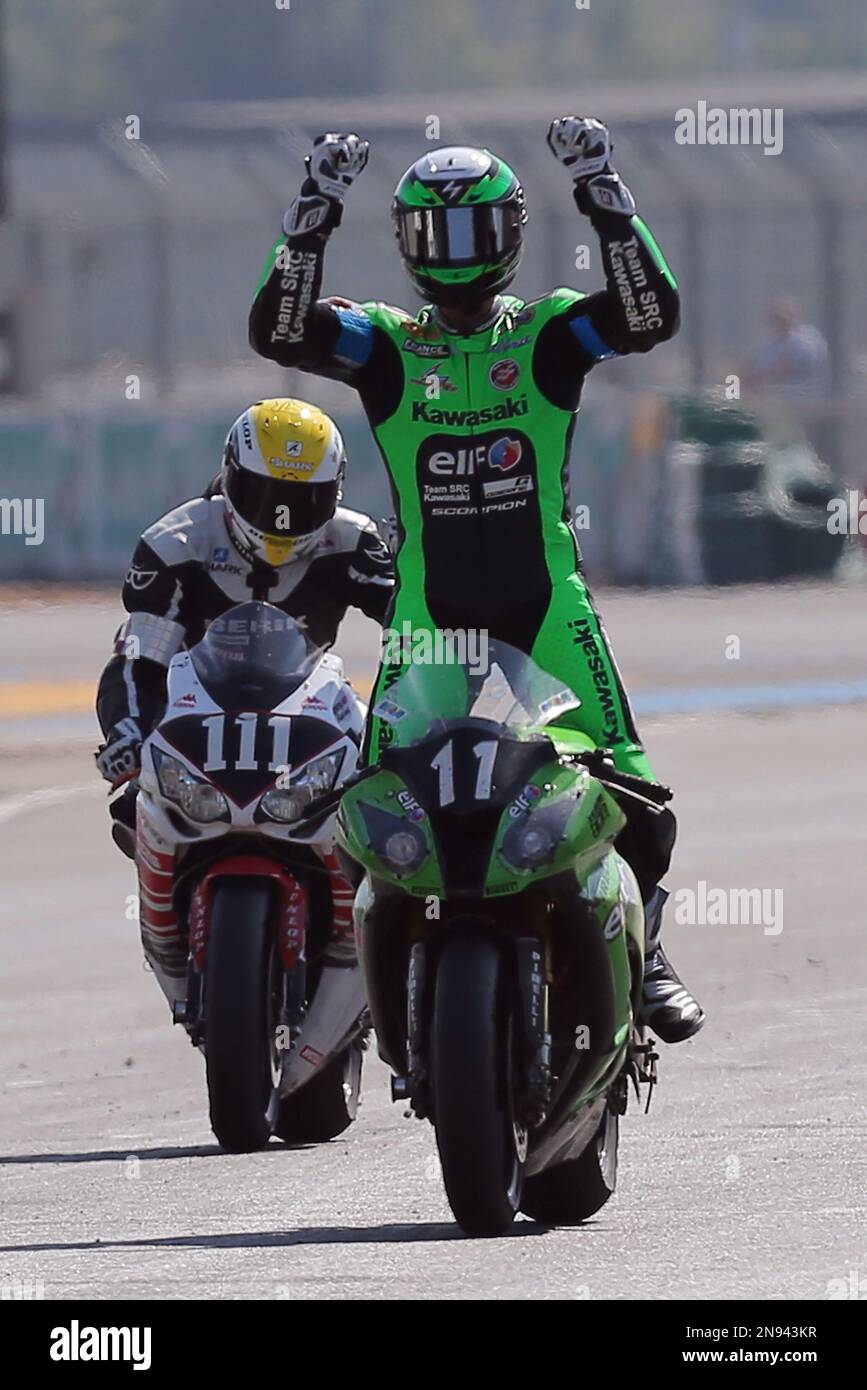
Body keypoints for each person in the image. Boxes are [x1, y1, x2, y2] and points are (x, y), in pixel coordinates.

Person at [247, 120, 704, 1043]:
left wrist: (605, 193)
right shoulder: (384, 347)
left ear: (512, 236)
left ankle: (646, 949)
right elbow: (280, 329)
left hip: (544, 609)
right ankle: (387, 975)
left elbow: (649, 314)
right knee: (376, 798)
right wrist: (310, 215)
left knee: (631, 790)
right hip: (429, 614)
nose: (455, 258)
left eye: (474, 234)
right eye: (434, 237)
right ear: (408, 247)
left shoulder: (547, 334)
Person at [94, 397, 394, 1003]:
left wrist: (419, 717)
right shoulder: (176, 542)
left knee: (393, 815)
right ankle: (171, 939)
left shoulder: (354, 542)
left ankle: (373, 952)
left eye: (303, 501)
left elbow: (416, 633)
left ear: (334, 492)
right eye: (263, 496)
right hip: (197, 714)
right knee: (133, 806)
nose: (282, 520)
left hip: (313, 707)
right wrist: (126, 735)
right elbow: (137, 656)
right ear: (229, 476)